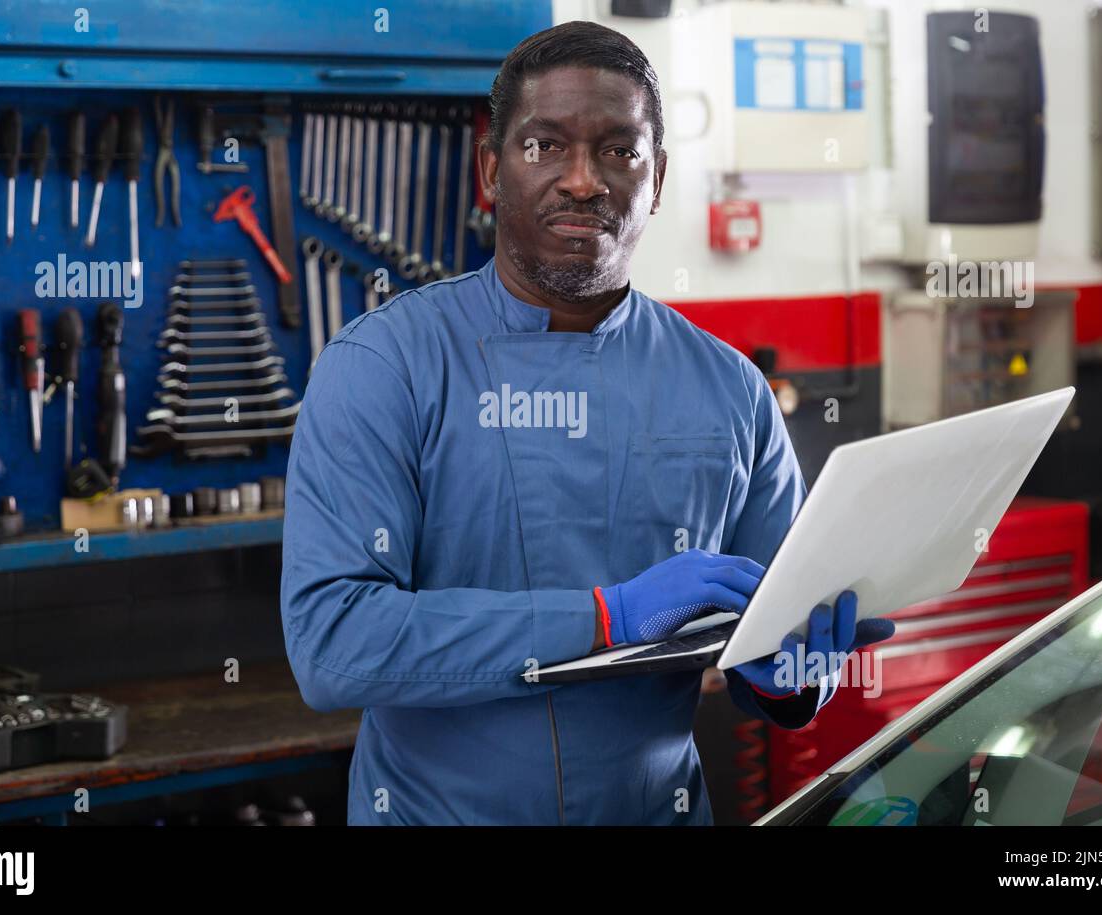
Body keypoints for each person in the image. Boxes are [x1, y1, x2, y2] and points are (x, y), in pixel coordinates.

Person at [281, 20, 894, 825]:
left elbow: (772, 624)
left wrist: (789, 674)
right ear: (491, 170)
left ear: (659, 177)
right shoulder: (383, 367)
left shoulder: (730, 389)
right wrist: (604, 620)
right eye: (544, 147)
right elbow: (335, 644)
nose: (582, 180)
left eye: (619, 150)